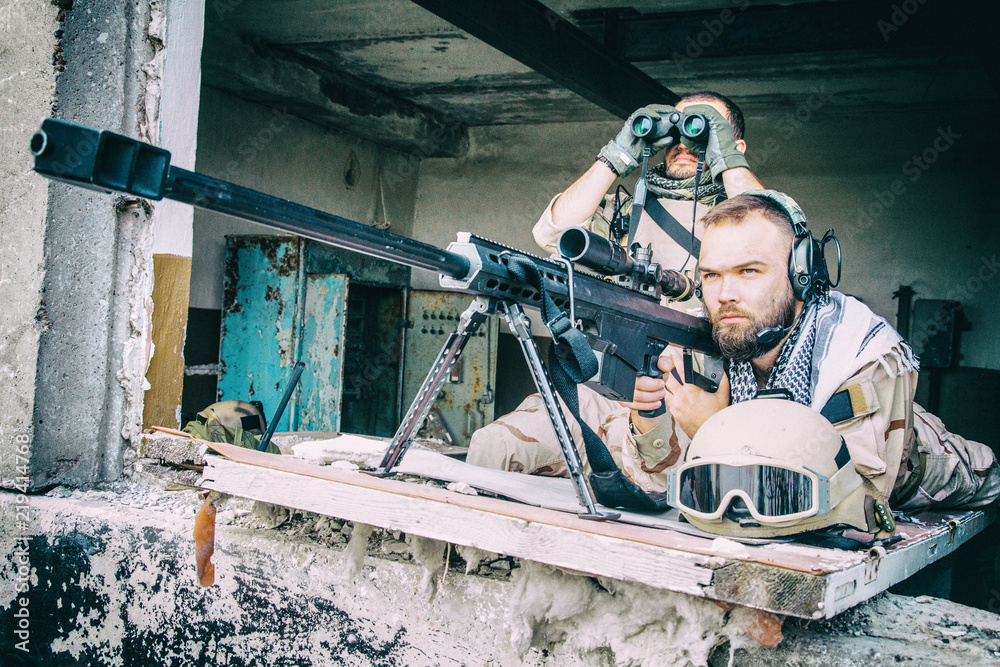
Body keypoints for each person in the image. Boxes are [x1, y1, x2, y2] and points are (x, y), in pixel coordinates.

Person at [626, 192, 1000, 515]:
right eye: (711, 275)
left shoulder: (858, 352)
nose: (725, 295)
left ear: (800, 275)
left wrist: (715, 431)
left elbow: (851, 506)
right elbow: (662, 483)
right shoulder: (705, 336)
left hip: (930, 472)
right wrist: (650, 418)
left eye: (749, 271)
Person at [466, 91, 763, 476]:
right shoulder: (626, 208)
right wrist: (617, 154)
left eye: (701, 131)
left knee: (652, 487)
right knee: (495, 447)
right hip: (603, 390)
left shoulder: (745, 216)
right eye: (675, 131)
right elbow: (551, 233)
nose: (683, 143)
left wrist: (727, 159)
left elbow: (779, 238)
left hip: (683, 403)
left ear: (733, 145)